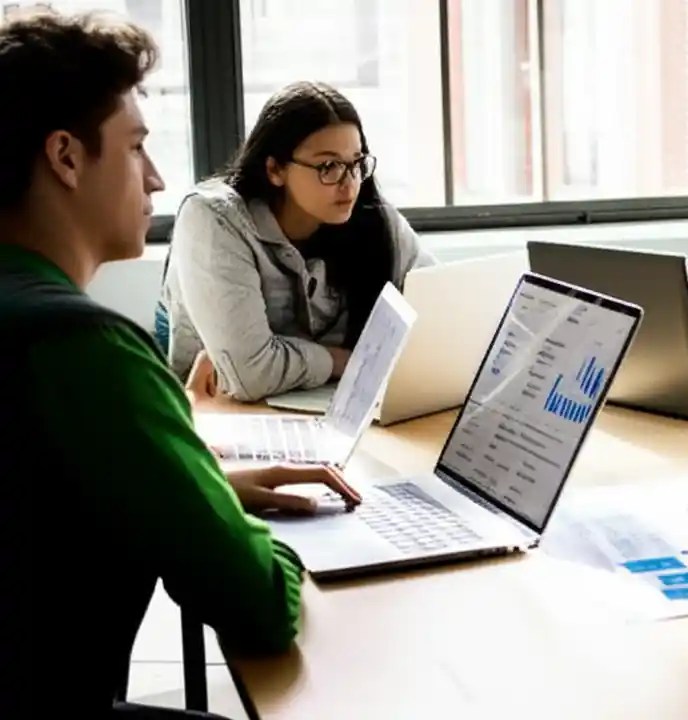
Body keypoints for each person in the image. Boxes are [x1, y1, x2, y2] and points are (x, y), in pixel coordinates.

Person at [0, 11, 359, 717]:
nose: (157, 179)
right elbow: (258, 603)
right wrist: (236, 525)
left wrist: (200, 486)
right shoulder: (83, 349)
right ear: (65, 157)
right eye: (136, 148)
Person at [158, 81, 434, 403]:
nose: (349, 185)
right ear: (275, 169)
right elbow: (250, 375)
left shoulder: (373, 219)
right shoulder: (213, 219)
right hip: (212, 407)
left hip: (325, 404)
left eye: (356, 164)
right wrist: (338, 361)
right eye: (329, 166)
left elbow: (440, 308)